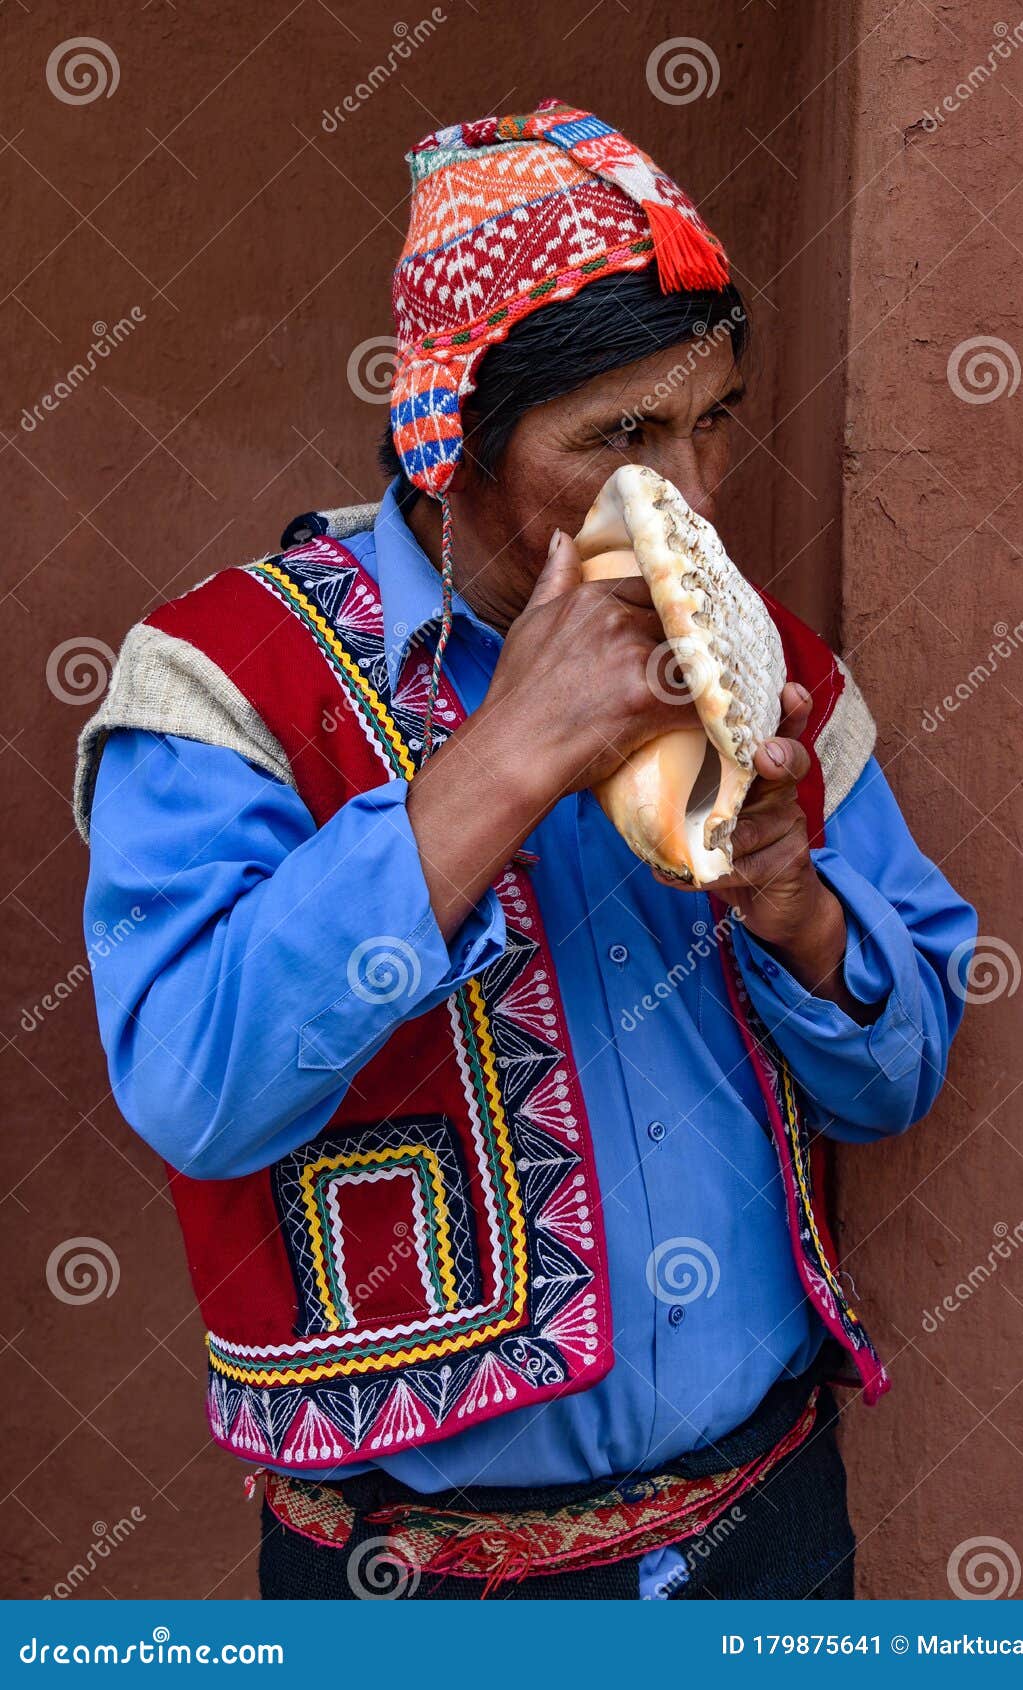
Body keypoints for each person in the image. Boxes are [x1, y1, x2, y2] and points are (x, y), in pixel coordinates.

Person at [77, 99, 976, 1600]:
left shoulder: (774, 669)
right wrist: (495, 765)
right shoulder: (222, 679)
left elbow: (906, 1069)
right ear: (453, 451)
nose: (687, 498)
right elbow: (193, 1085)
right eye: (619, 438)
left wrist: (798, 914)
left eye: (712, 420)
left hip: (771, 1528)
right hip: (420, 1586)